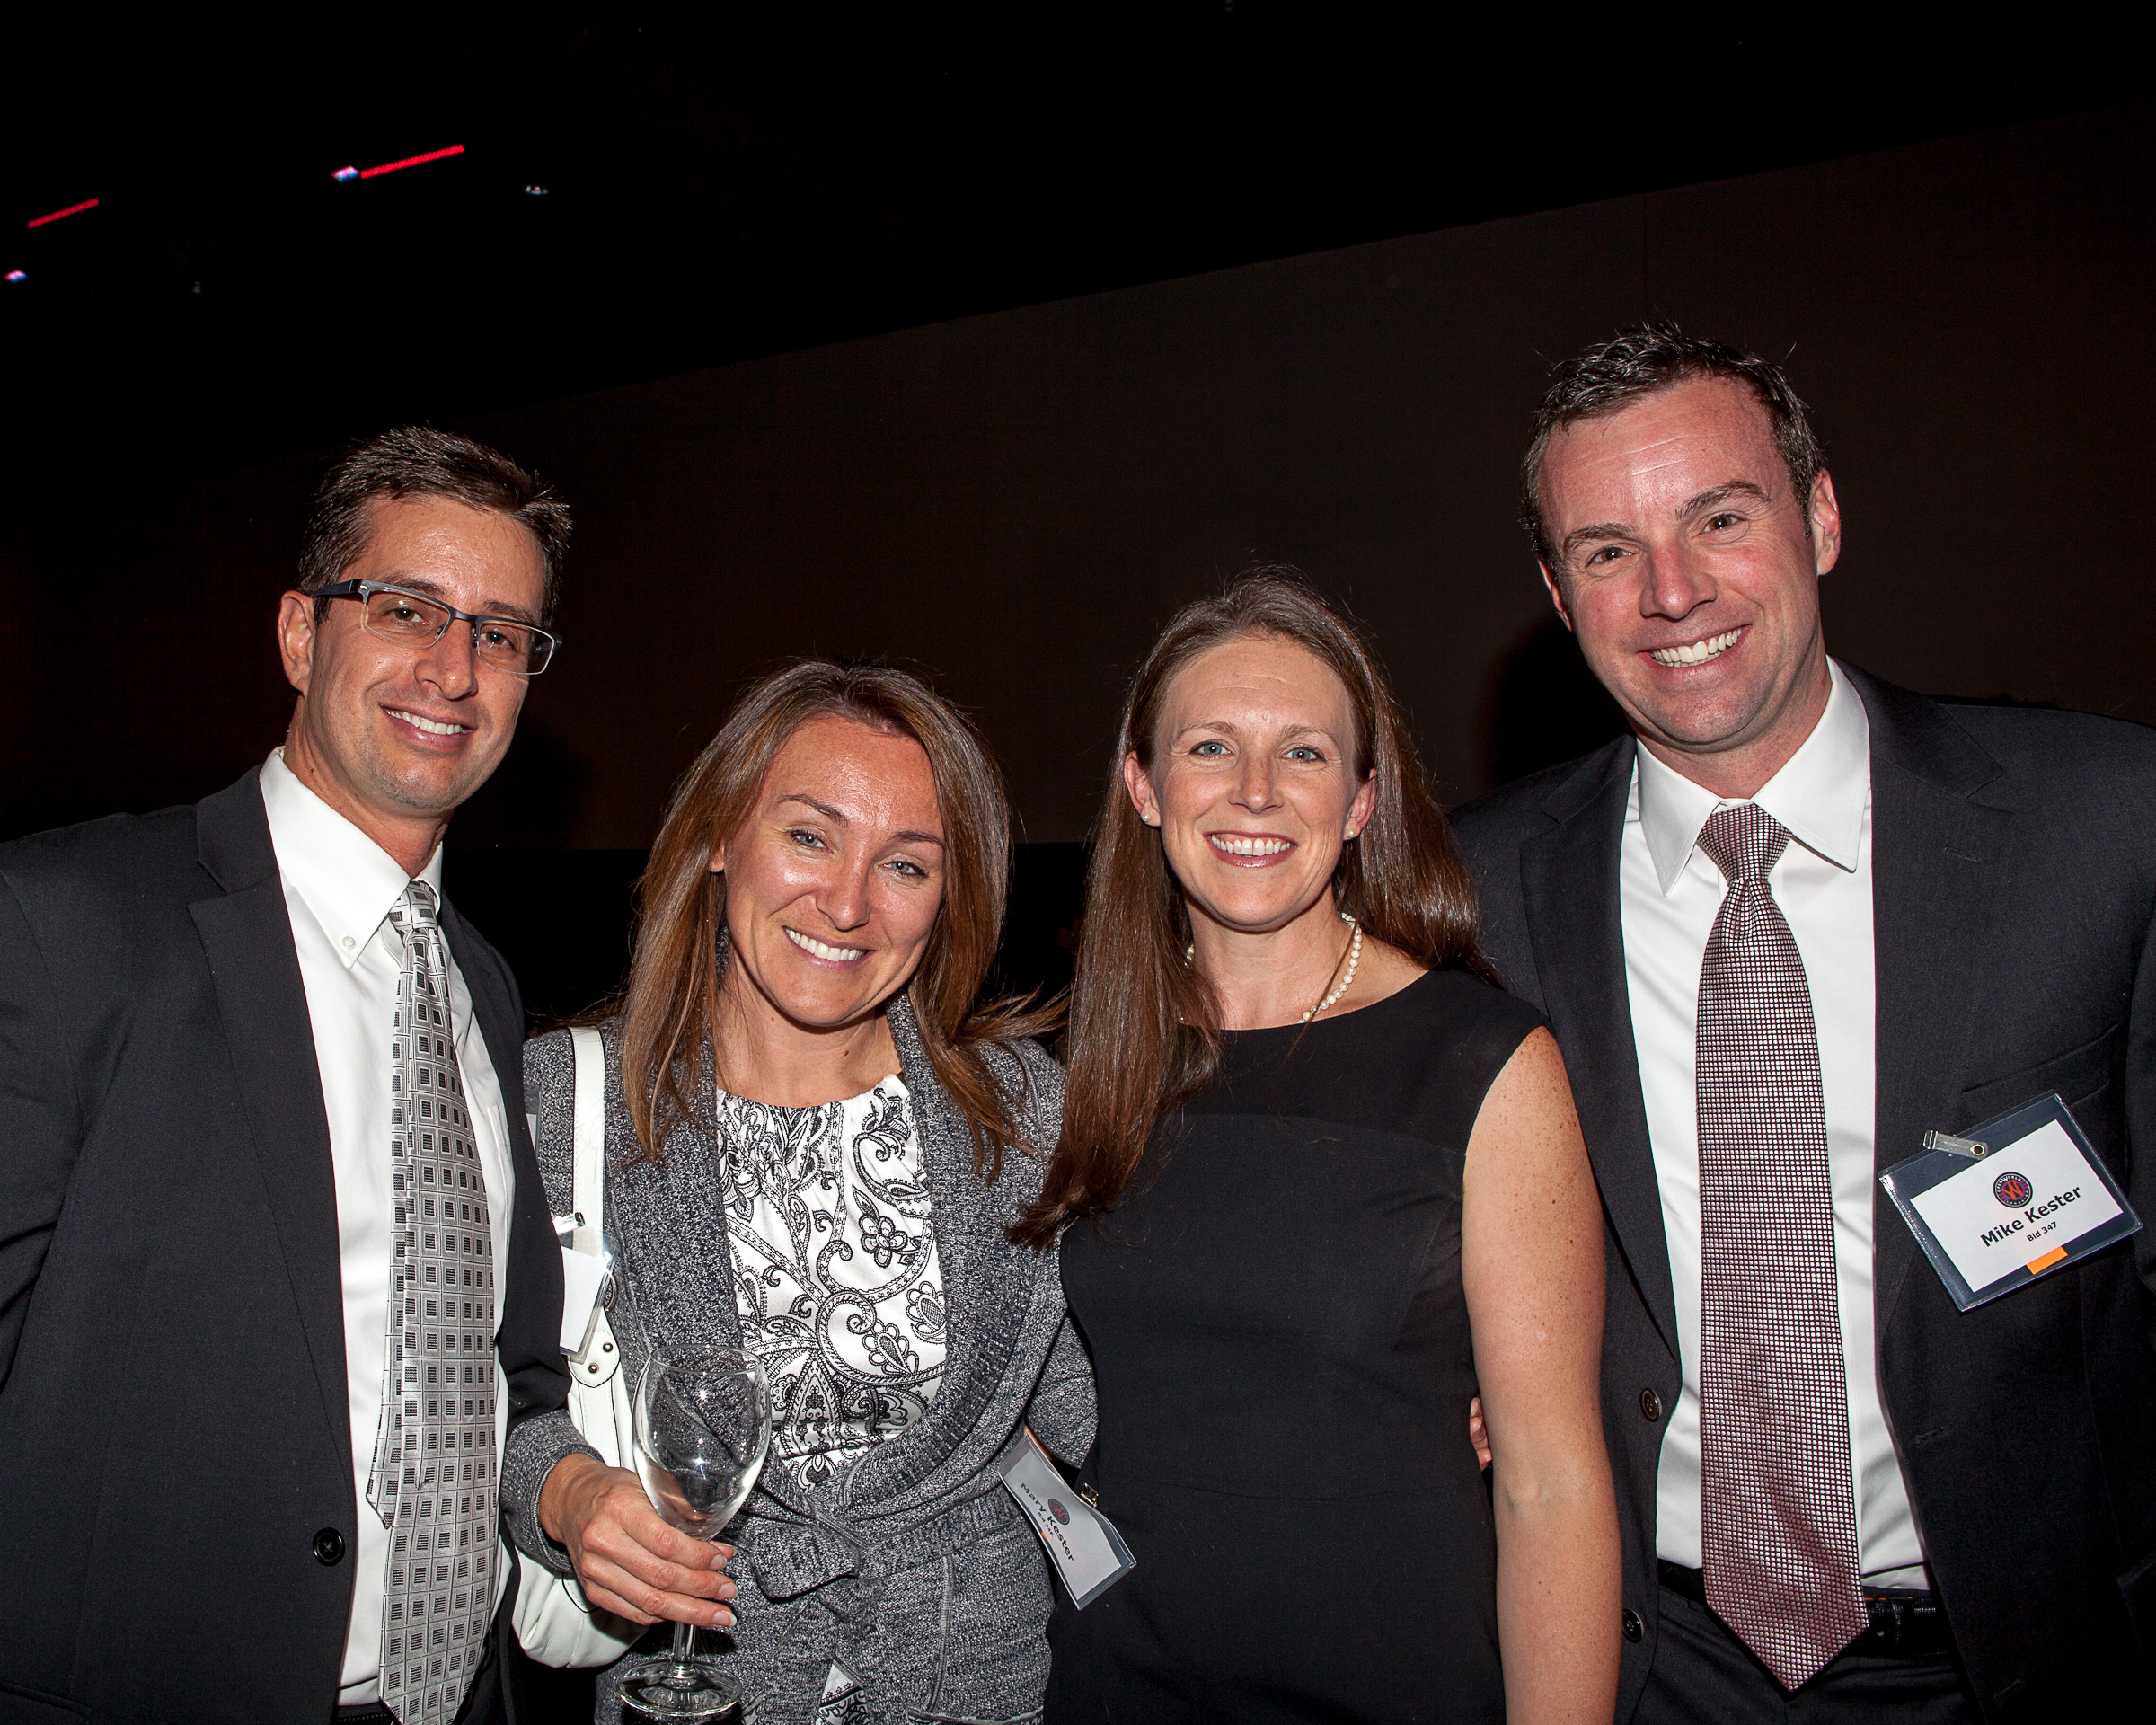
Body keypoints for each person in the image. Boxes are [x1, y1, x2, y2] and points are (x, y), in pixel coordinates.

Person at [1450, 323, 2156, 1721]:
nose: (1672, 591)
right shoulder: (1472, 894)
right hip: (1658, 1663)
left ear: (1821, 515)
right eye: (1606, 550)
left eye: (1721, 516)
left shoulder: (2102, 826)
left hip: (2024, 1653)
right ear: (1557, 589)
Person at [0, 428, 573, 1723]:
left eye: (500, 631)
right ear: (301, 636)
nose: (454, 666)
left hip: (457, 1697)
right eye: (407, 608)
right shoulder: (67, 925)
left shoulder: (480, 984)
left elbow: (503, 1361)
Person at [1026, 574, 1619, 1724]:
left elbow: (1551, 1488)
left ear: (1361, 801)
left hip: (1396, 1681)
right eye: (1210, 746)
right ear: (1144, 787)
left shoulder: (1483, 1062)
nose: (1255, 792)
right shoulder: (1077, 1065)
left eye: (1303, 752)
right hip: (1116, 1682)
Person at [501, 660, 1094, 1724]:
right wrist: (565, 1493)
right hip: (699, 1683)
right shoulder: (571, 1100)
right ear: (723, 837)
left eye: (907, 865)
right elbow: (487, 1392)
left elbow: (1107, 1393)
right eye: (810, 837)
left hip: (971, 1680)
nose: (850, 903)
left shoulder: (1022, 1114)